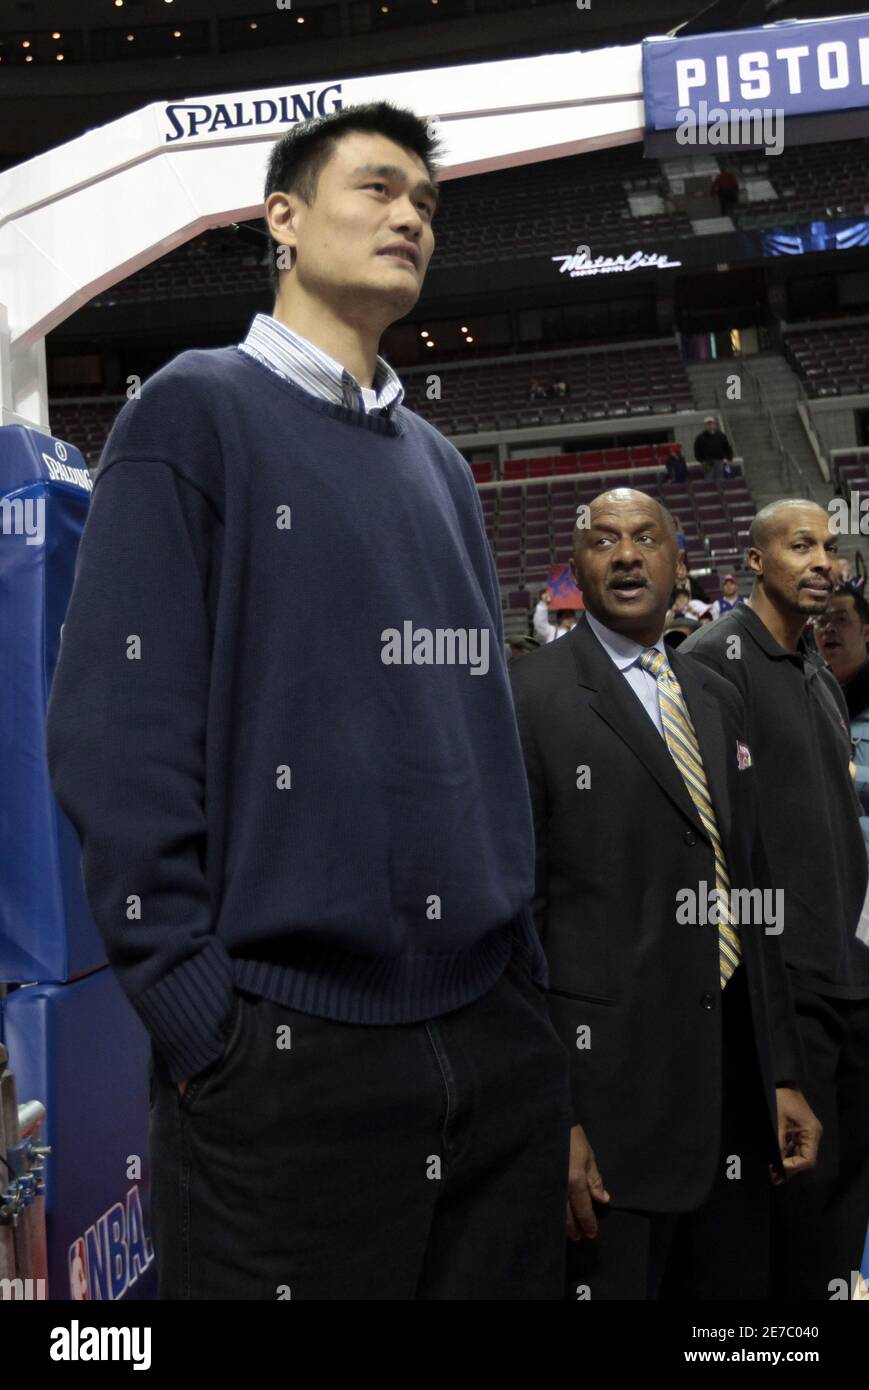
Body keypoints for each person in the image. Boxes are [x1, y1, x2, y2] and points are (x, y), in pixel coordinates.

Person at [45, 101, 572, 1301]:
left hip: (489, 1032)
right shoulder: (191, 408)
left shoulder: (438, 464)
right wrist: (193, 1012)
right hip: (283, 1054)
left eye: (425, 205)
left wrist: (522, 975)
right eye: (377, 189)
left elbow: (478, 738)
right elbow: (111, 731)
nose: (408, 218)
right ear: (281, 217)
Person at [510, 487, 819, 1301]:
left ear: (678, 564)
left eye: (645, 538)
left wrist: (780, 1071)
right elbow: (518, 921)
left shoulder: (713, 695)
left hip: (731, 1104)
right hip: (611, 1126)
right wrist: (555, 1115)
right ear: (576, 569)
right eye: (602, 540)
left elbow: (749, 893)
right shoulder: (527, 699)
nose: (624, 554)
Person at [681, 499, 869, 1300]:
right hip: (780, 985)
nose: (823, 560)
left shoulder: (817, 669)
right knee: (791, 1214)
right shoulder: (710, 661)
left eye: (829, 545)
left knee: (841, 1211)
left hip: (849, 978)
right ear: (754, 562)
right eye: (800, 546)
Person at [815, 584, 869, 857]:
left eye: (841, 619)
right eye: (821, 620)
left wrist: (855, 776)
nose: (829, 628)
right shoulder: (806, 696)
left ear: (866, 631)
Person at [694, 415, 733, 482]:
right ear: (705, 426)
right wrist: (701, 460)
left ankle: (721, 492)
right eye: (708, 424)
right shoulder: (700, 438)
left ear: (714, 425)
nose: (710, 426)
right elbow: (697, 450)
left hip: (719, 461)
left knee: (720, 479)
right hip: (707, 462)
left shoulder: (721, 435)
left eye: (711, 424)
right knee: (709, 480)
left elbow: (727, 447)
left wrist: (729, 457)